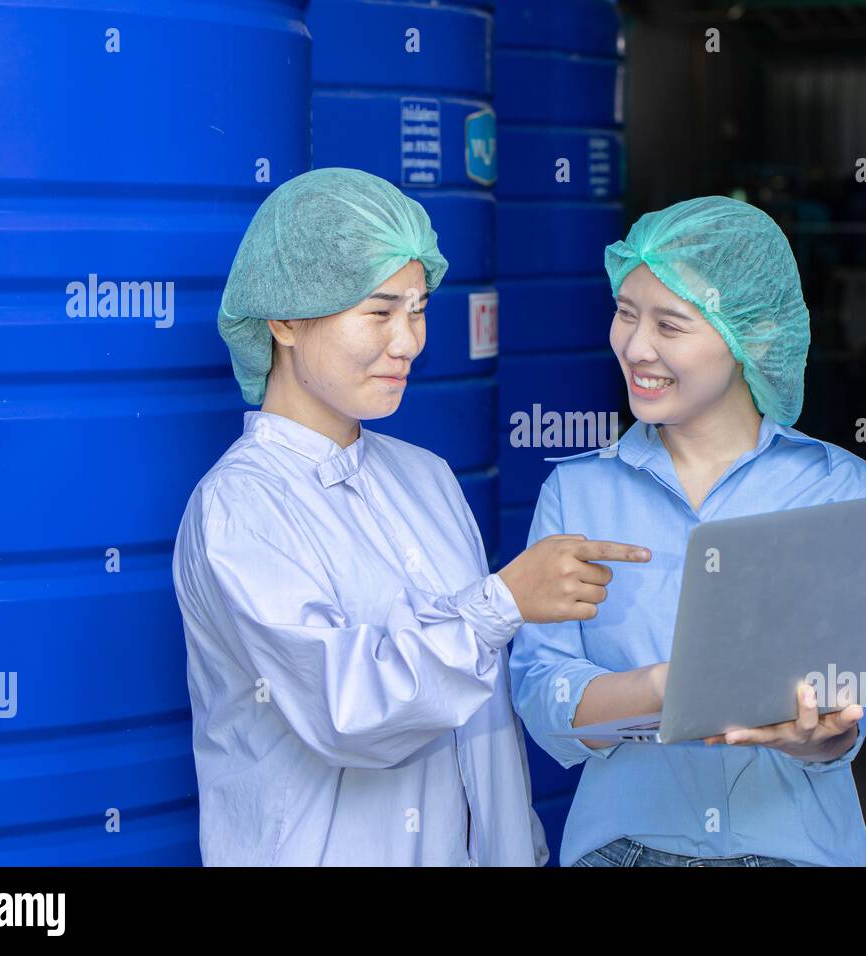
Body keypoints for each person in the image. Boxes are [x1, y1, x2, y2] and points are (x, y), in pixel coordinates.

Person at [171, 168, 650, 866]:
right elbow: (349, 713)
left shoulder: (423, 477)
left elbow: (477, 723)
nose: (409, 341)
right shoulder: (241, 509)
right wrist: (503, 602)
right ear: (283, 320)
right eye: (379, 311)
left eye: (419, 308)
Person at [509, 195, 866, 868]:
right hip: (621, 851)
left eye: (671, 324)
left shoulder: (838, 488)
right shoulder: (577, 492)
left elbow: (846, 720)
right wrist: (661, 690)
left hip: (795, 852)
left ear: (756, 336)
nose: (636, 346)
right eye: (626, 313)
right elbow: (542, 693)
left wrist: (810, 738)